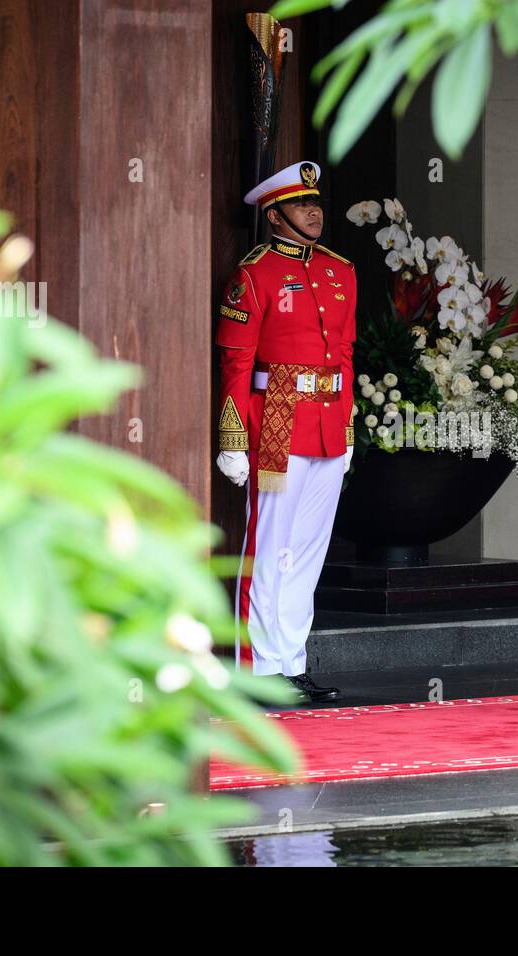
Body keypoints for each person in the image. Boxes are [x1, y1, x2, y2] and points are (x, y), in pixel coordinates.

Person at [214, 160, 356, 703]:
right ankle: (256, 670)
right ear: (274, 216)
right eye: (301, 204)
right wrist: (233, 438)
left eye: (316, 203)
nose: (314, 212)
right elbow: (235, 362)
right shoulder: (254, 274)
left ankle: (291, 663)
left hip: (328, 423)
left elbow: (345, 356)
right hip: (275, 418)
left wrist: (347, 428)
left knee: (308, 551)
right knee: (269, 548)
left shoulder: (341, 271)